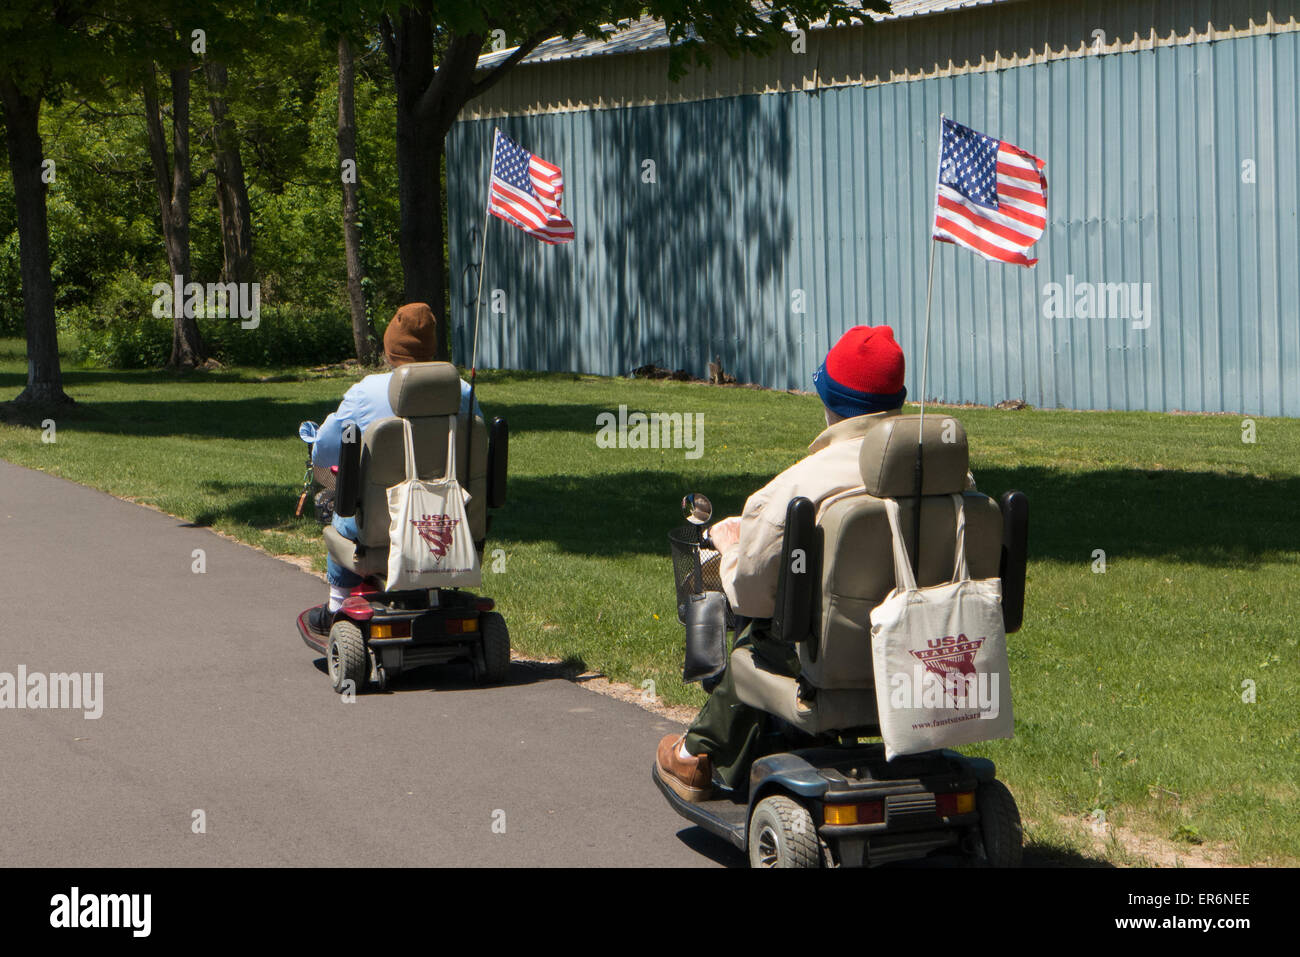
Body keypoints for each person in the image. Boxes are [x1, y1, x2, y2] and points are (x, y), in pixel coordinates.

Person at [656, 325, 916, 803]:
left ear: (830, 402)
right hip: (927, 653)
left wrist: (730, 546)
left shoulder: (799, 486)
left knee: (762, 638)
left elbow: (751, 596)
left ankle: (699, 755)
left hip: (830, 661)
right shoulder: (952, 478)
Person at [304, 302, 481, 636]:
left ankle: (336, 604)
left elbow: (326, 449)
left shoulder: (365, 393)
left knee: (341, 514)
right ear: (431, 349)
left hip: (379, 524)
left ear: (389, 348)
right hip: (448, 520)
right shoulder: (463, 393)